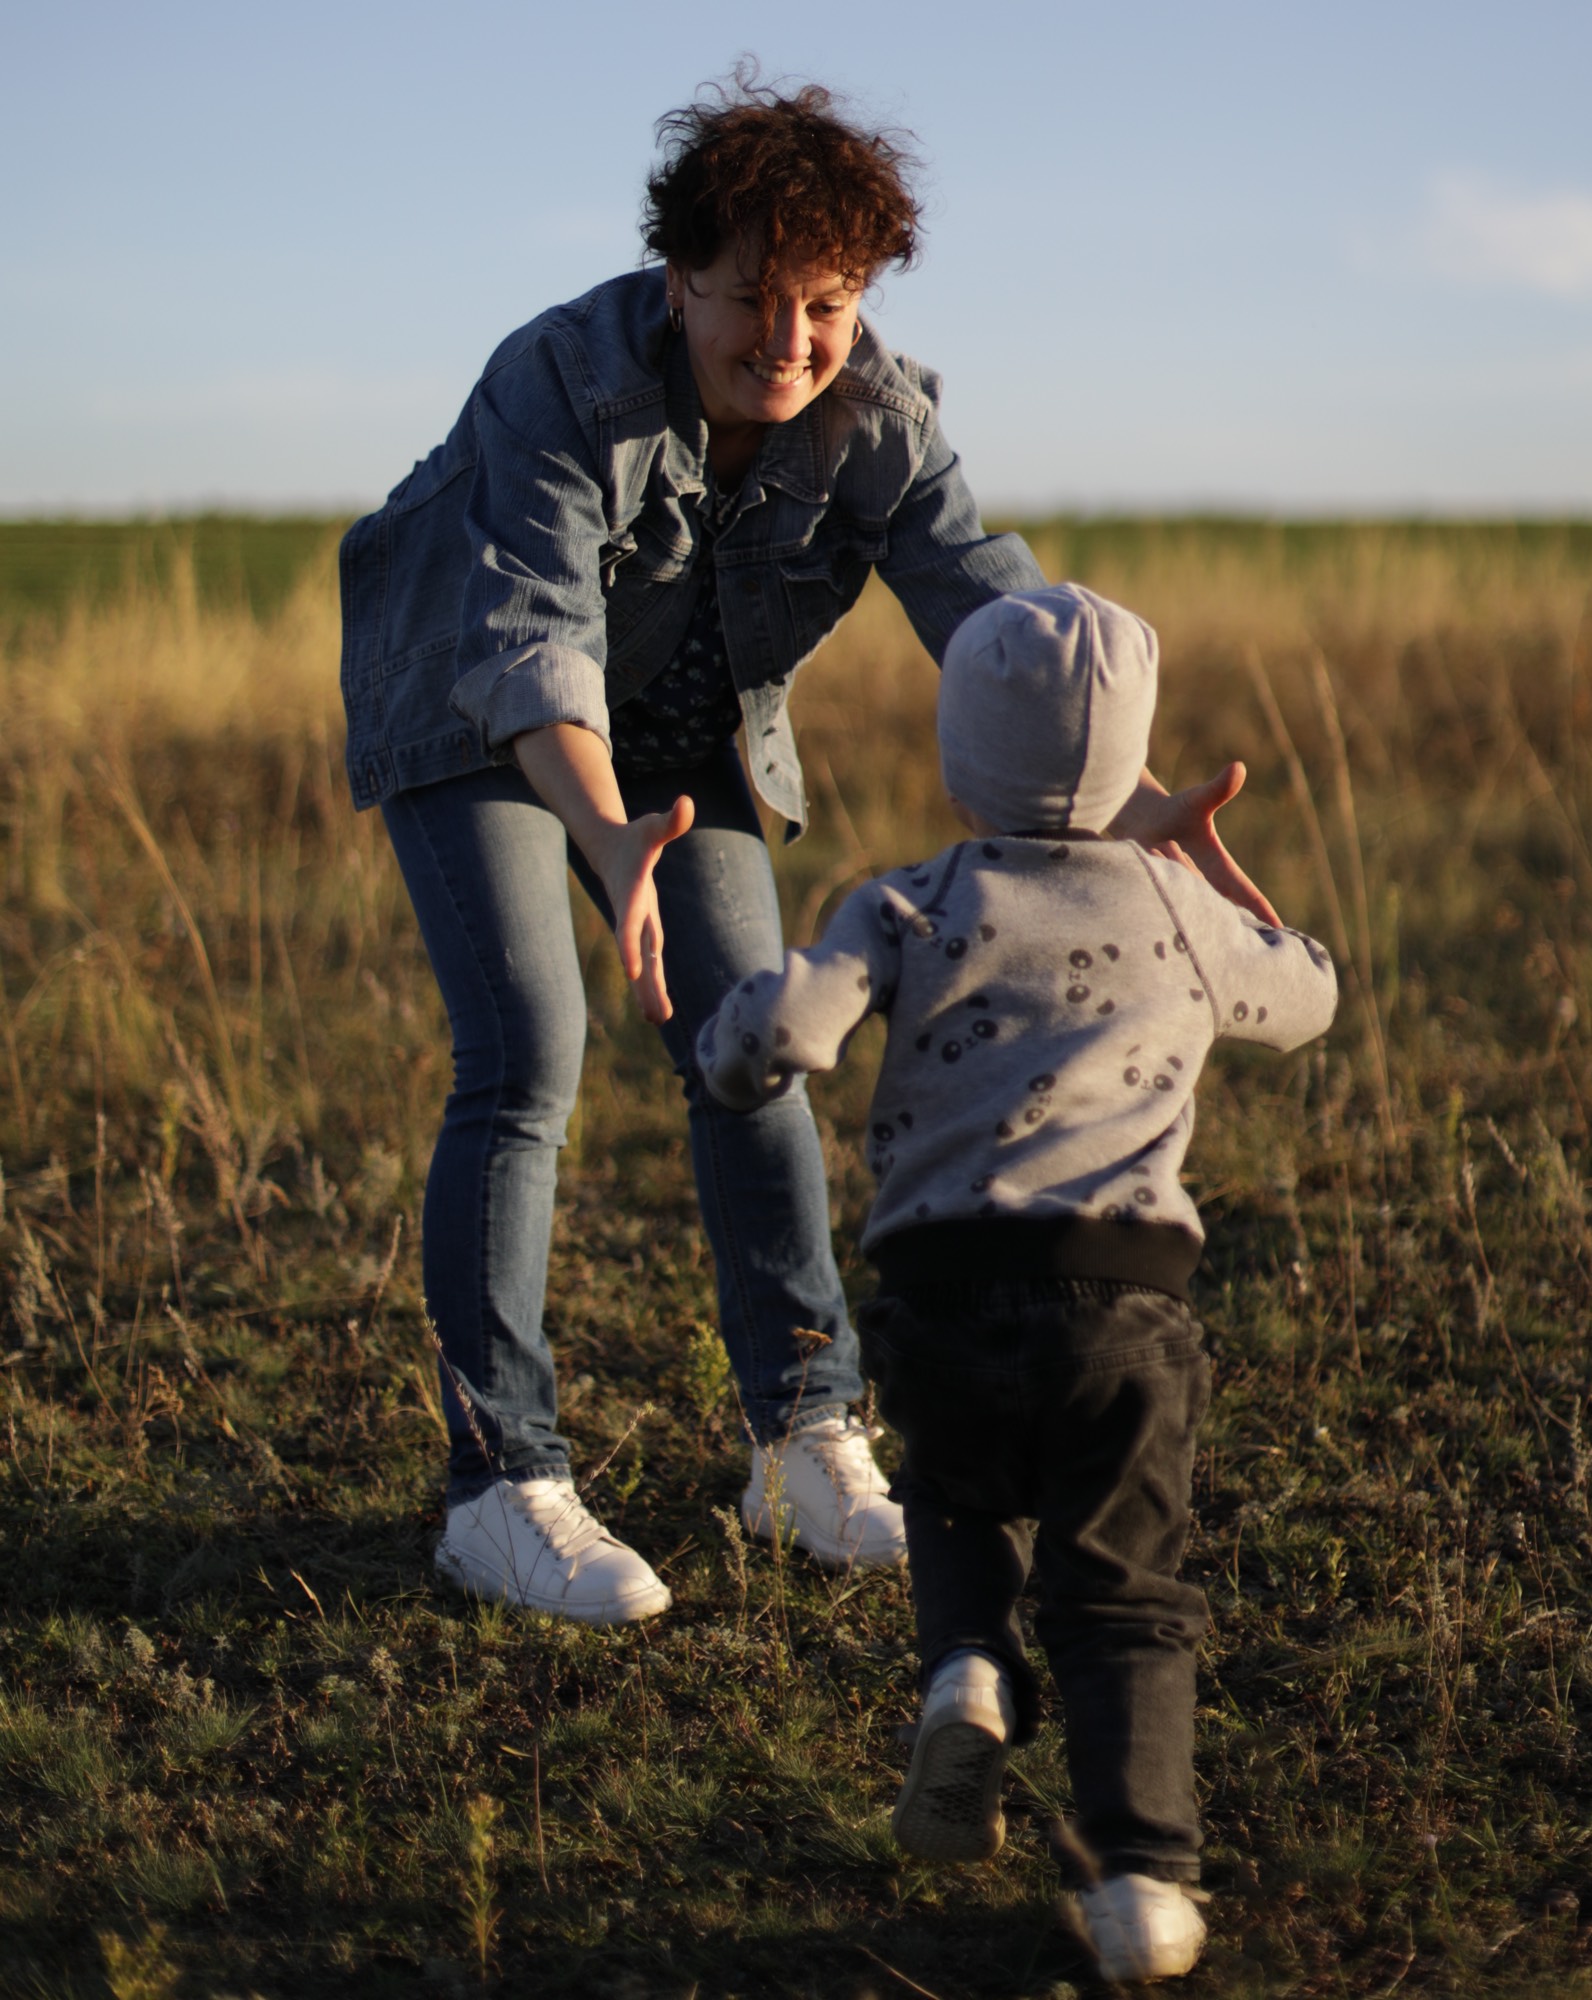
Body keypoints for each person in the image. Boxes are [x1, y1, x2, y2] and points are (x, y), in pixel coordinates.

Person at [338, 79, 1271, 1626]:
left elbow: (999, 617)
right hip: (473, 699)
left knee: (757, 1037)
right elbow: (530, 639)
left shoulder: (882, 418)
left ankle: (803, 1438)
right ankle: (499, 1488)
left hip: (681, 734)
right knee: (528, 1051)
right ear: (679, 278)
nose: (786, 339)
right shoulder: (559, 378)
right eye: (750, 299)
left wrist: (1135, 803)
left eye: (824, 303)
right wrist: (602, 828)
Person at [697, 584, 1336, 1983]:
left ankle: (967, 1674)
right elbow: (1308, 1000)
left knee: (955, 1491)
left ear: (958, 751)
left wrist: (728, 1046)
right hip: (1121, 1301)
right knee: (1119, 1592)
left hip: (937, 1287)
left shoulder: (911, 900)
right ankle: (1141, 1884)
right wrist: (1226, 892)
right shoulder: (1174, 902)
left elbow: (783, 1034)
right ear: (1132, 756)